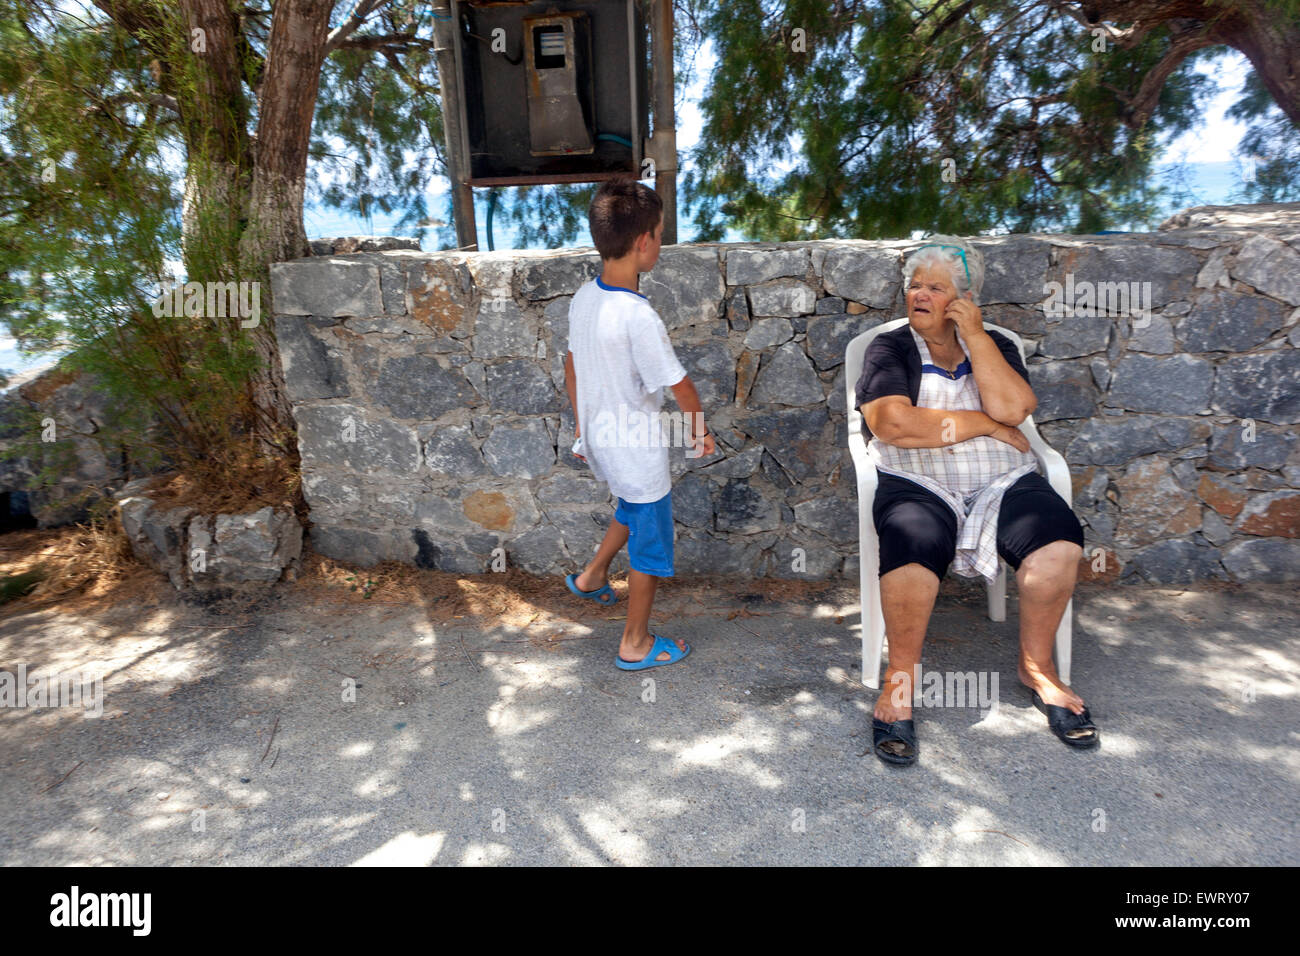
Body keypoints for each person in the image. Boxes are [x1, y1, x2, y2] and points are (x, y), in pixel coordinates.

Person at [854, 236, 1095, 764]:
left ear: (963, 300)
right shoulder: (890, 347)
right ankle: (900, 683)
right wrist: (984, 423)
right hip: (919, 480)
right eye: (914, 285)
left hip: (1001, 480)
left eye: (935, 288)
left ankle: (1037, 670)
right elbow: (894, 423)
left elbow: (1015, 407)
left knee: (1057, 545)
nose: (918, 294)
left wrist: (976, 336)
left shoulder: (994, 346)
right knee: (910, 543)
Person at [562, 177, 716, 670]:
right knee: (650, 542)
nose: (661, 242)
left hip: (601, 439)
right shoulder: (637, 316)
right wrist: (699, 429)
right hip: (636, 450)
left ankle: (591, 576)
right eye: (661, 233)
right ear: (645, 241)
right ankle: (635, 643)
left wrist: (583, 427)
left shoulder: (584, 298)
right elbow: (681, 385)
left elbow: (571, 366)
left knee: (629, 506)